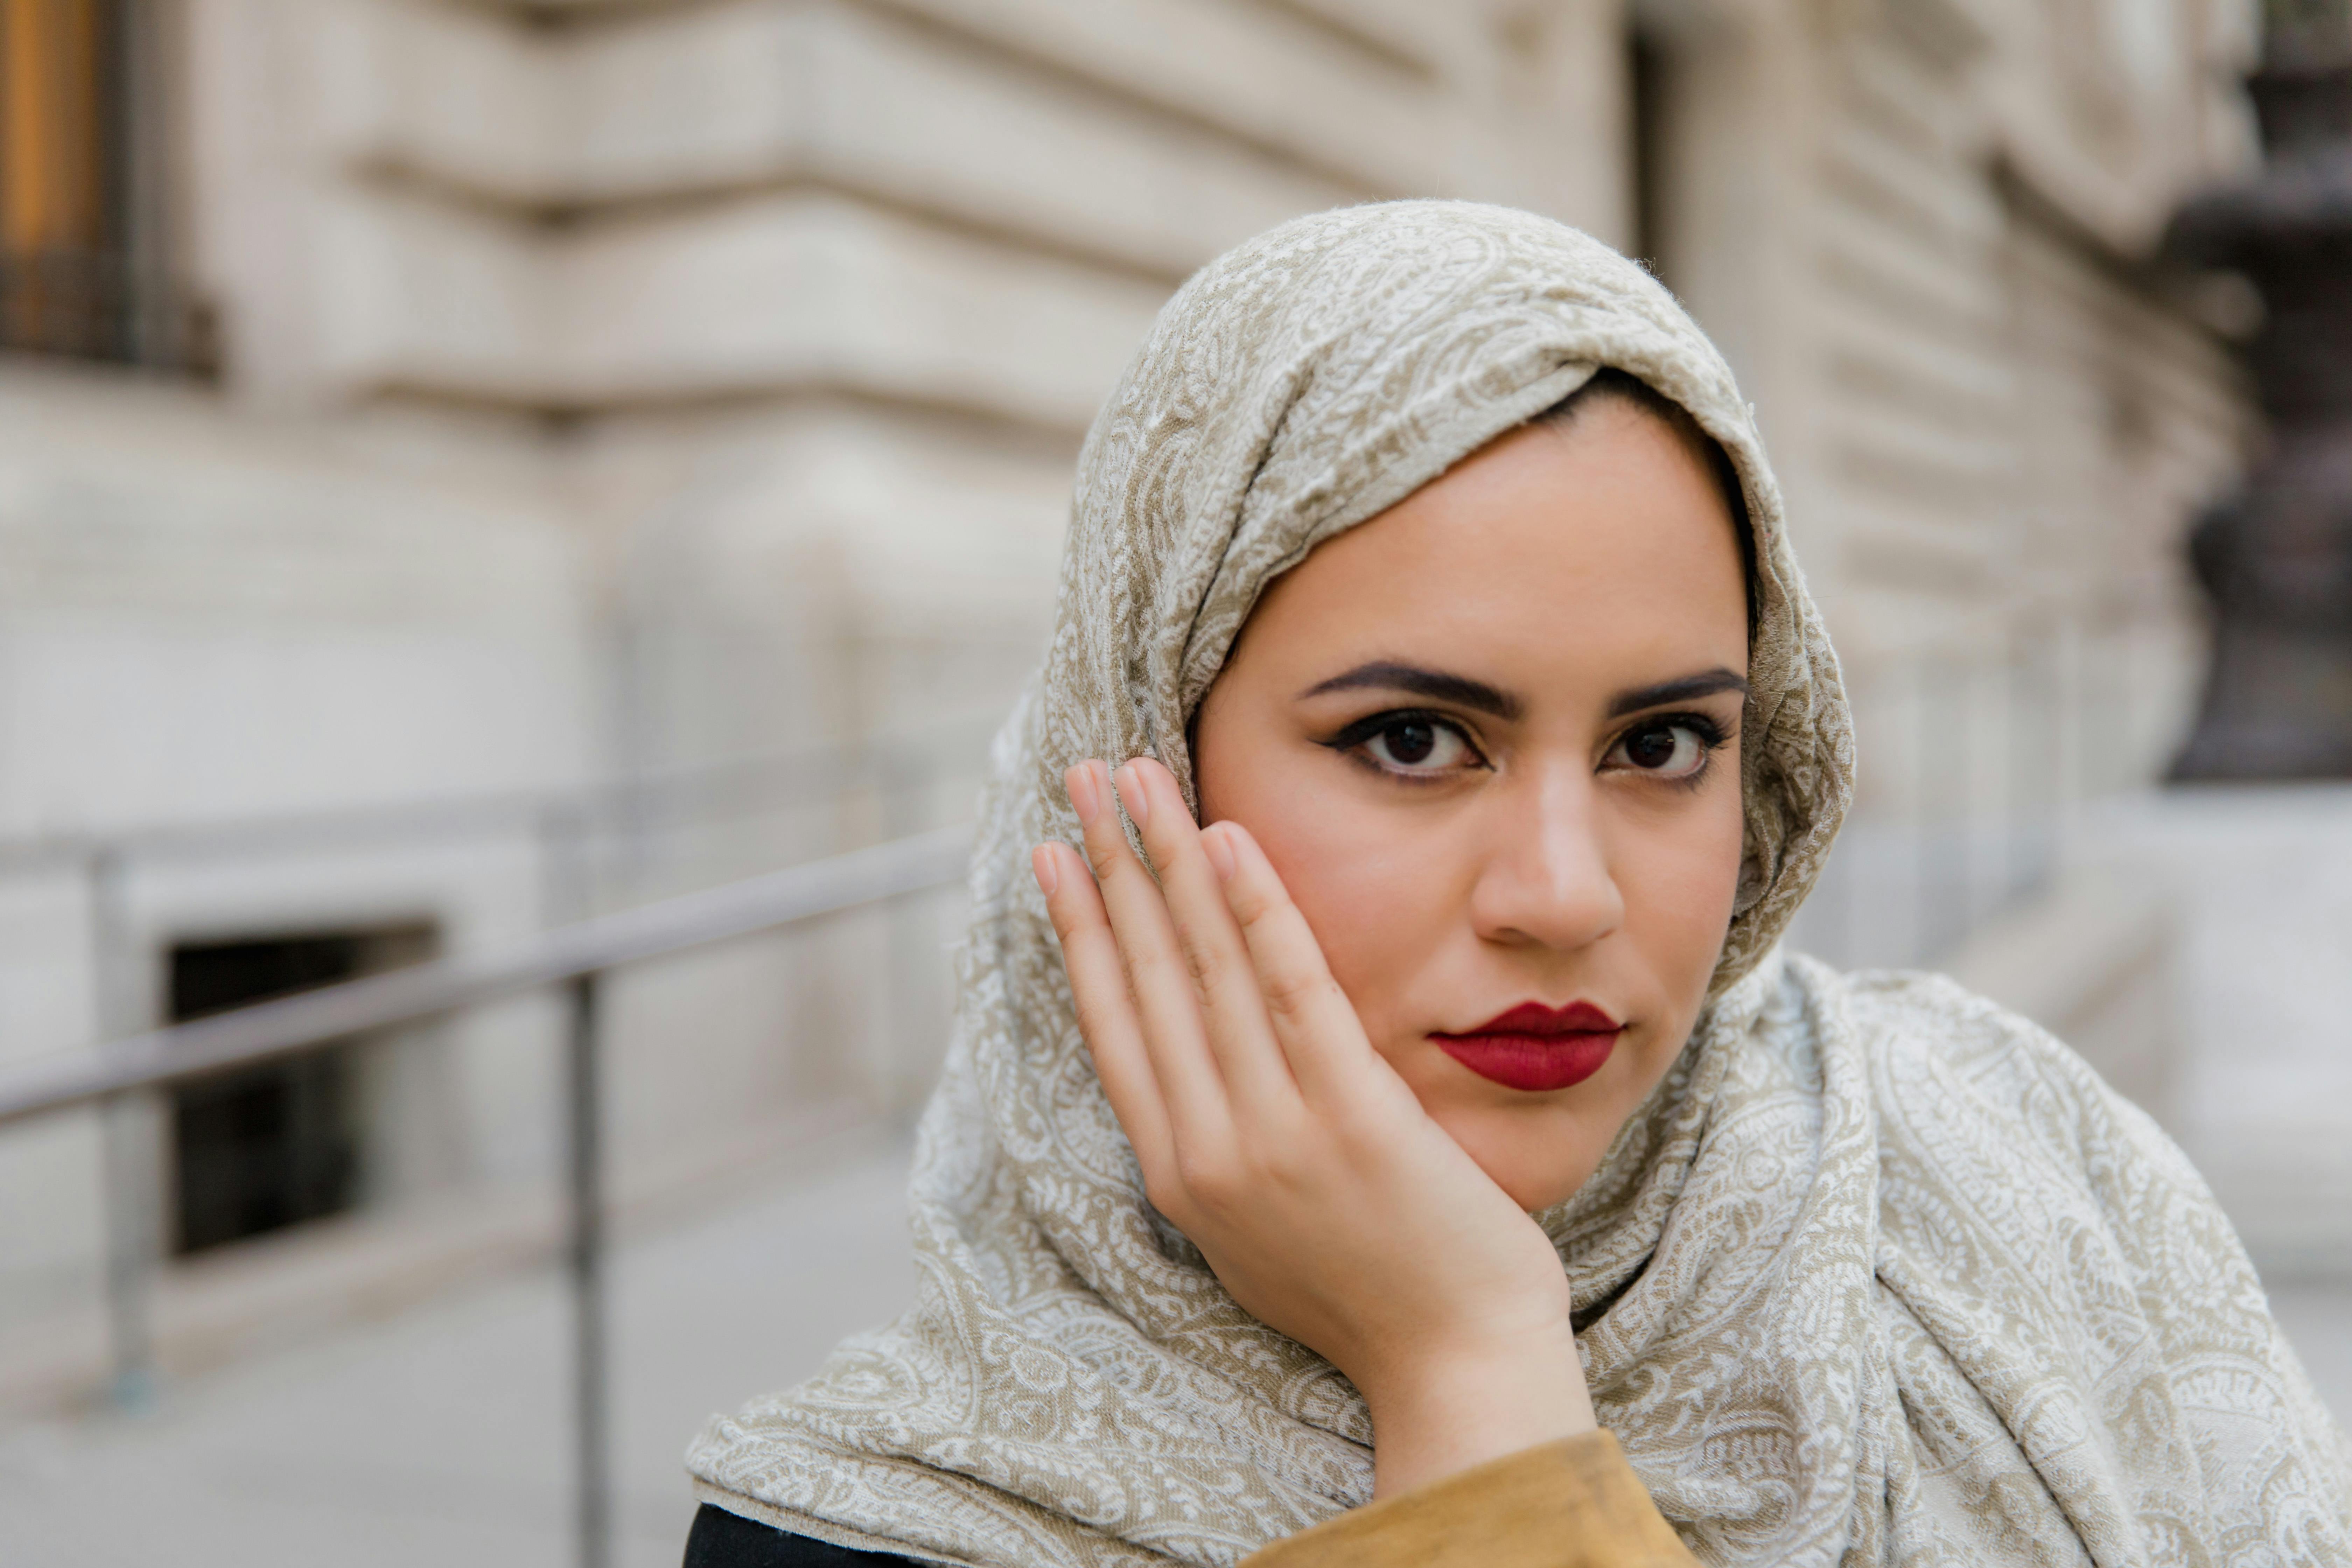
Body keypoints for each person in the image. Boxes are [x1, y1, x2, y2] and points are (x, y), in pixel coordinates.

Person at [682, 202, 2352, 1567]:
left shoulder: (2022, 1194)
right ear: (1146, 766)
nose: (1563, 897)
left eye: (1663, 746)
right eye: (1414, 738)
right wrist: (1467, 1361)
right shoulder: (869, 1532)